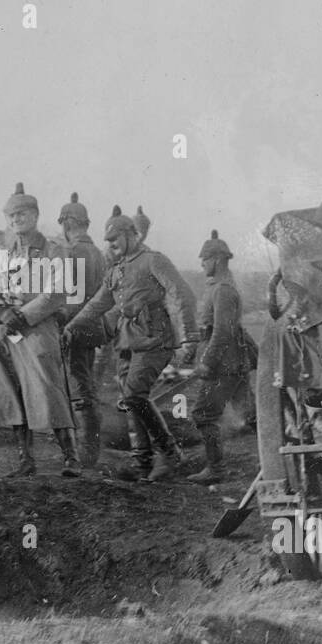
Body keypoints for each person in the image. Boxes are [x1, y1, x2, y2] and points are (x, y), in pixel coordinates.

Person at [63, 206, 197, 482]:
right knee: (130, 400)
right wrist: (72, 326)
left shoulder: (153, 261)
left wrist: (188, 337)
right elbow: (97, 304)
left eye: (116, 240)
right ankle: (141, 463)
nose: (112, 247)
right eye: (108, 243)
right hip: (126, 343)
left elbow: (181, 294)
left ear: (131, 235)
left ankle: (171, 455)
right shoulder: (115, 271)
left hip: (155, 340)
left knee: (135, 393)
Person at [0, 183, 81, 478]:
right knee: (10, 390)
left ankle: (70, 458)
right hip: (7, 329)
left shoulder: (54, 250)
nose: (16, 220)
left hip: (37, 328)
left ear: (35, 215)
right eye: (11, 216)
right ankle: (26, 460)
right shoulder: (3, 253)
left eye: (22, 213)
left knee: (50, 387)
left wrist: (22, 316)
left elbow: (57, 292)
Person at [181, 230, 257, 485]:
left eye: (205, 259)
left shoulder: (223, 291)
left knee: (203, 414)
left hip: (224, 366)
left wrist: (207, 363)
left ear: (216, 259)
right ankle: (282, 457)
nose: (201, 264)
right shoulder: (219, 288)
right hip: (232, 363)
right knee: (251, 415)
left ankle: (216, 468)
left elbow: (222, 332)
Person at [55, 193, 107, 467]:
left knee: (80, 389)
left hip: (74, 327)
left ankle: (88, 453)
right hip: (92, 327)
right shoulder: (97, 252)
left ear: (68, 223)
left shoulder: (72, 252)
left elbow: (69, 296)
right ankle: (88, 448)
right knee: (85, 385)